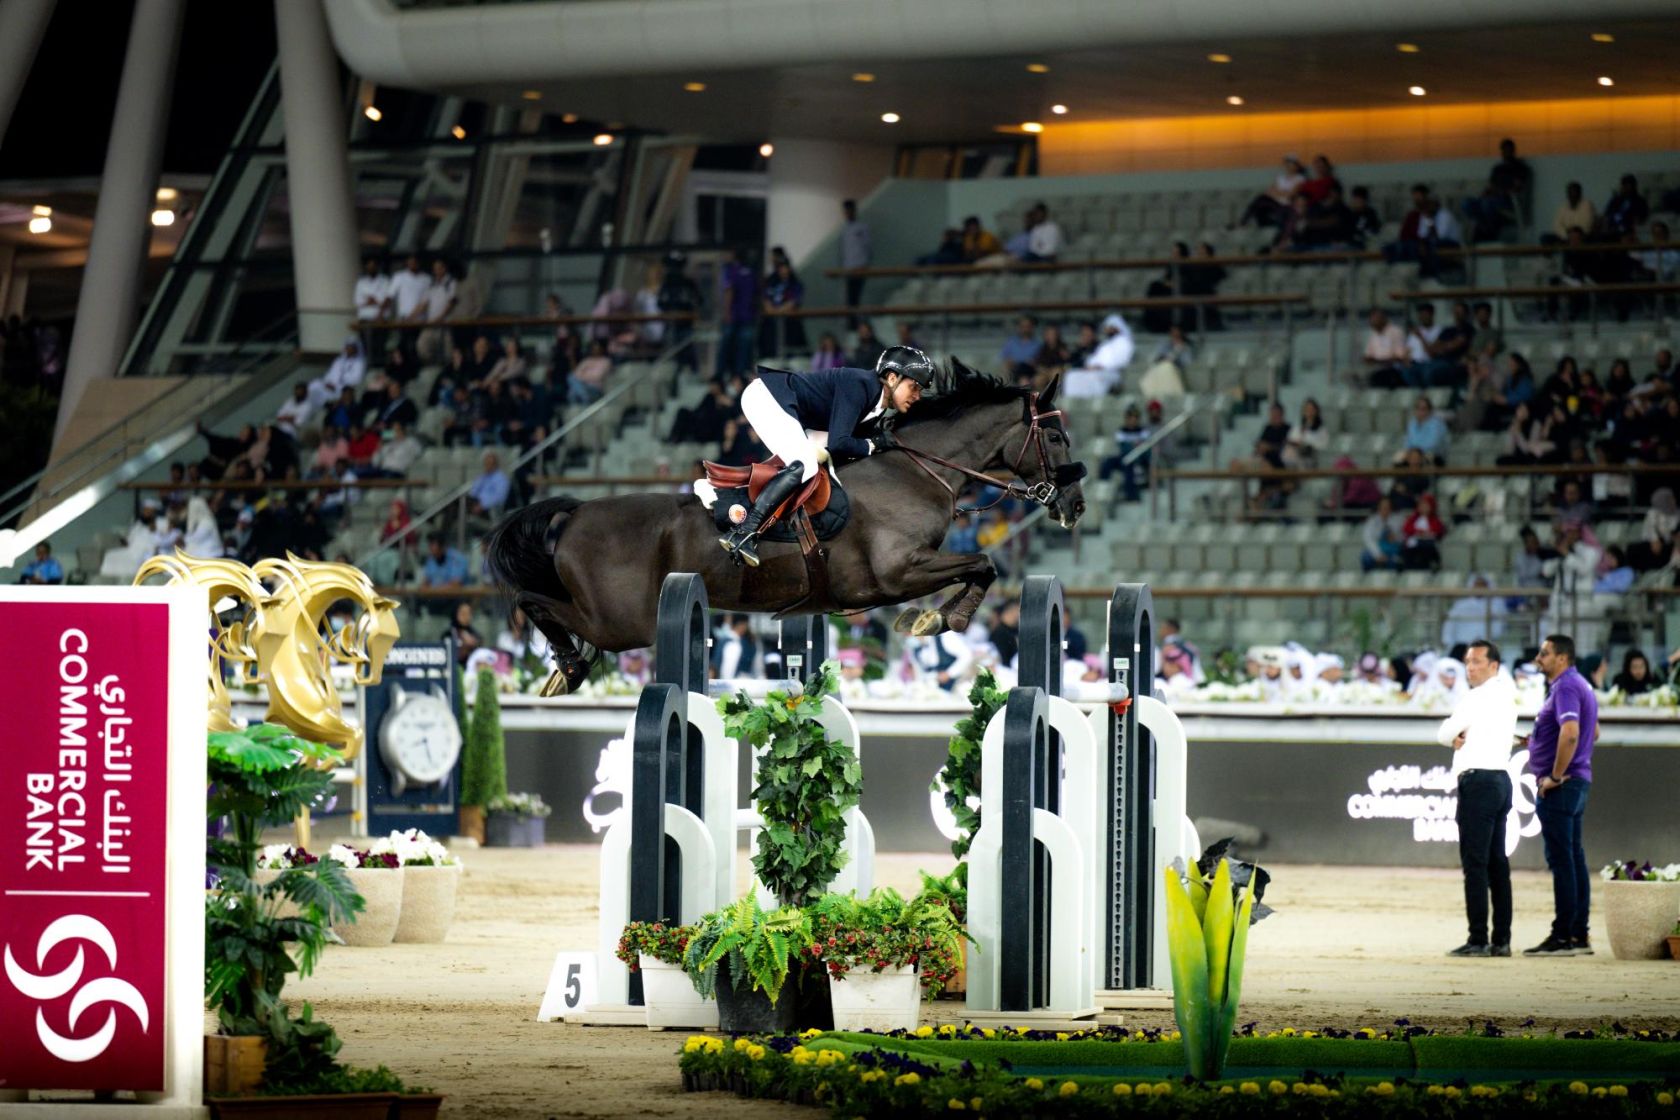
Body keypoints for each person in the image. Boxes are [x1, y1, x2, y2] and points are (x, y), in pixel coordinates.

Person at [718, 347, 934, 567]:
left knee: (814, 465)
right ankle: (744, 532)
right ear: (892, 377)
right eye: (914, 387)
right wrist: (872, 444)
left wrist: (874, 445)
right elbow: (840, 443)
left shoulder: (877, 406)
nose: (917, 396)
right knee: (805, 465)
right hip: (767, 397)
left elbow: (842, 450)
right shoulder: (860, 384)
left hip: (795, 411)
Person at [1434, 639, 1517, 957]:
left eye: (1477, 662)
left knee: (1476, 863)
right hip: (1501, 779)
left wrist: (1454, 737)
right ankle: (1502, 940)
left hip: (1478, 781)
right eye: (1468, 662)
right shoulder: (1507, 697)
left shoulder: (1476, 697)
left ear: (1493, 665)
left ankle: (1478, 938)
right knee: (1498, 863)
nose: (1470, 667)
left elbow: (1443, 733)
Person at [1522, 634, 1599, 956]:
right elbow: (1593, 731)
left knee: (1563, 862)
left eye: (1545, 653)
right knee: (1574, 859)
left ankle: (1563, 935)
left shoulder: (1566, 686)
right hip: (1578, 782)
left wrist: (1554, 776)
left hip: (1562, 787)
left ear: (1562, 658)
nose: (1539, 658)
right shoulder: (1579, 684)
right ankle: (1578, 934)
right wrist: (1534, 742)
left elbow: (1571, 732)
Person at [839, 199, 871, 323]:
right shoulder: (844, 230)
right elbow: (844, 251)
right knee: (849, 299)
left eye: (850, 211)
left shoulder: (862, 228)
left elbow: (867, 248)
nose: (848, 213)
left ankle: (858, 323)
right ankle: (852, 324)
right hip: (848, 268)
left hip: (860, 266)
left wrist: (864, 265)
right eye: (846, 211)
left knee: (856, 297)